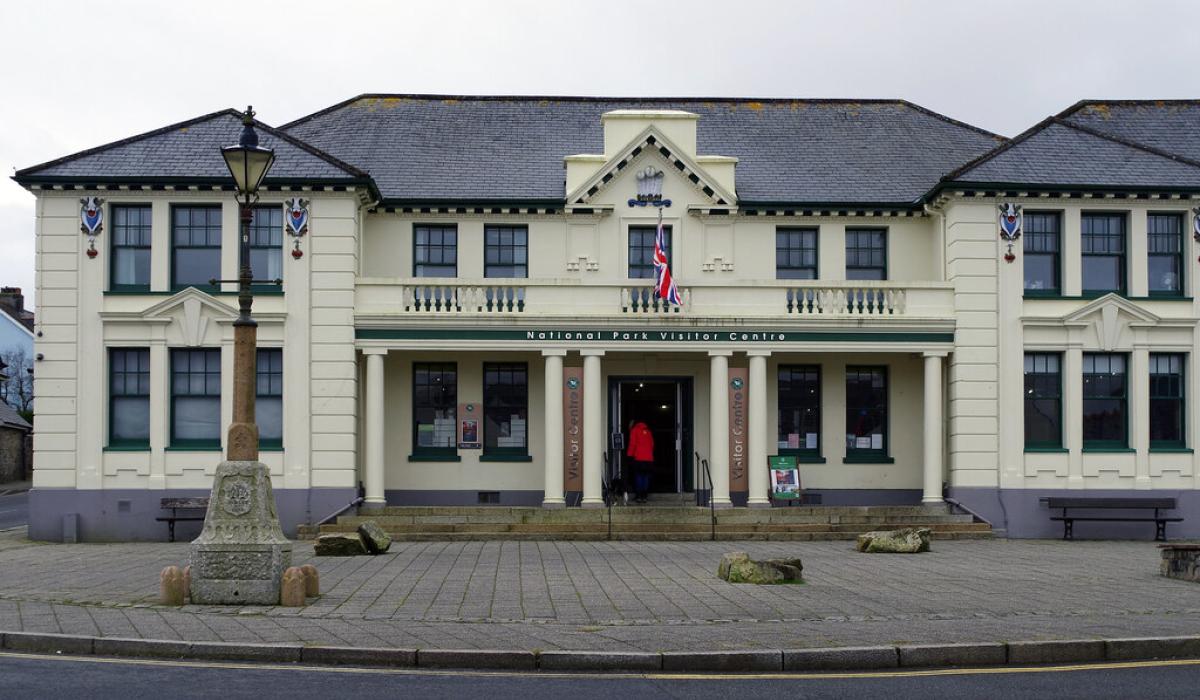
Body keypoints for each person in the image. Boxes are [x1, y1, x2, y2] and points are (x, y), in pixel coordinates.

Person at [626, 418, 654, 503]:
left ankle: (638, 495)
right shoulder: (648, 432)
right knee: (645, 477)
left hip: (638, 457)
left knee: (638, 476)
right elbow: (652, 444)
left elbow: (632, 444)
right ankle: (644, 495)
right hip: (648, 458)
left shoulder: (634, 431)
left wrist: (629, 455)